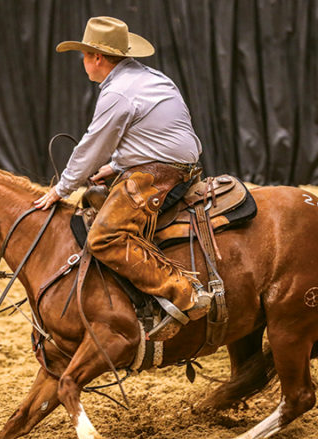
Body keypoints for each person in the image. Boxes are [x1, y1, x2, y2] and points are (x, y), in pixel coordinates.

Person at [34, 16, 212, 340]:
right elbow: (147, 135)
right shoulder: (148, 78)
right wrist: (116, 167)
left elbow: (92, 145)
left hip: (158, 173)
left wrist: (61, 188)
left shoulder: (118, 92)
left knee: (103, 236)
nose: (83, 62)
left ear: (97, 58)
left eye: (85, 54)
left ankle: (183, 291)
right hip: (171, 164)